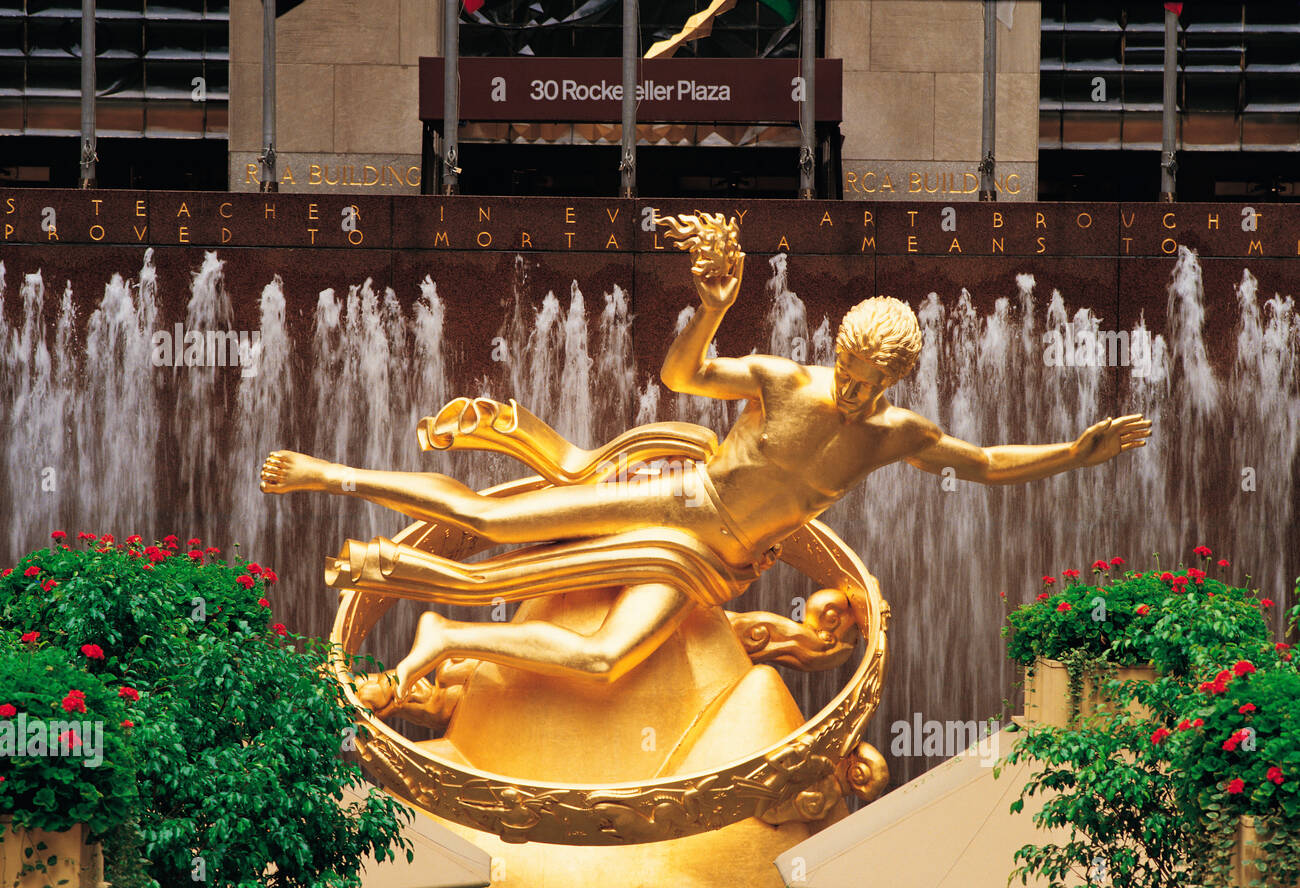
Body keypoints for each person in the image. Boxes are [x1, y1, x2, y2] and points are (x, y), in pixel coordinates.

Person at [261, 214, 1151, 704]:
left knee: (607, 660)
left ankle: (446, 633)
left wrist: (1075, 452)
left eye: (866, 377)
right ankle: (328, 474)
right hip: (671, 500)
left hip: (714, 567)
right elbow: (680, 372)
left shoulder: (898, 436)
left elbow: (988, 462)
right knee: (488, 517)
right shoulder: (783, 379)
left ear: (897, 377)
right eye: (843, 366)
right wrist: (714, 305)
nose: (846, 386)